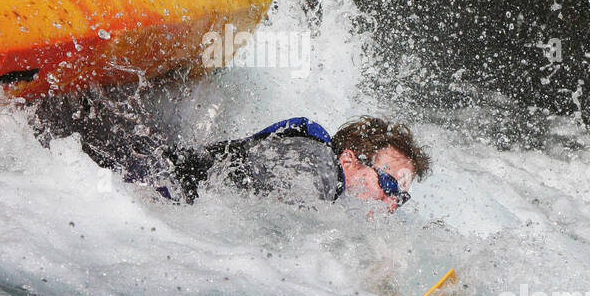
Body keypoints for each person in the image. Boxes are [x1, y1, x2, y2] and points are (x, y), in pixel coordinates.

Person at [38, 93, 429, 212]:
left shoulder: (322, 172)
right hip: (149, 179)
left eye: (402, 196)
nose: (392, 202)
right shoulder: (319, 172)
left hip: (156, 176)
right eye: (390, 184)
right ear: (349, 161)